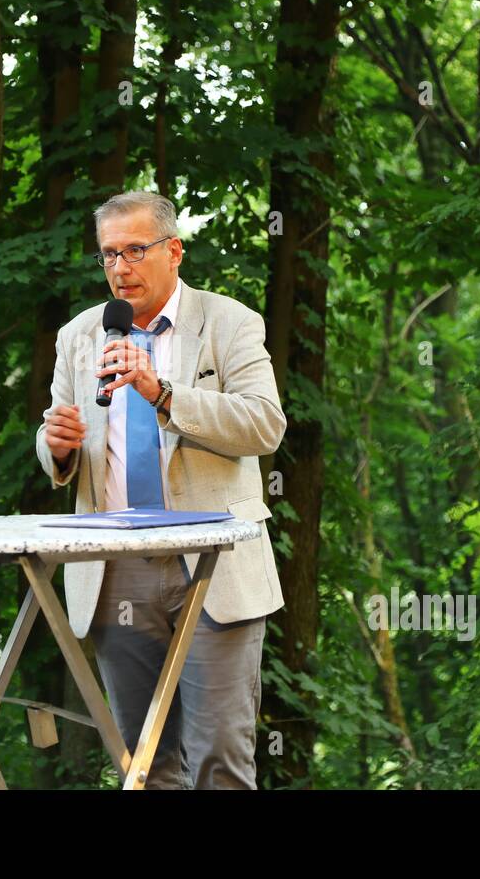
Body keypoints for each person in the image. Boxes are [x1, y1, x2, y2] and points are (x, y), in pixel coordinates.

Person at [35, 190, 286, 789]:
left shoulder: (230, 322)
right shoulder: (79, 335)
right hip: (116, 565)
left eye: (135, 251)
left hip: (213, 565)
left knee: (220, 755)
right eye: (108, 255)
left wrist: (164, 394)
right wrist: (59, 444)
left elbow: (264, 423)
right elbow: (55, 443)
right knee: (142, 762)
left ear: (174, 251)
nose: (120, 268)